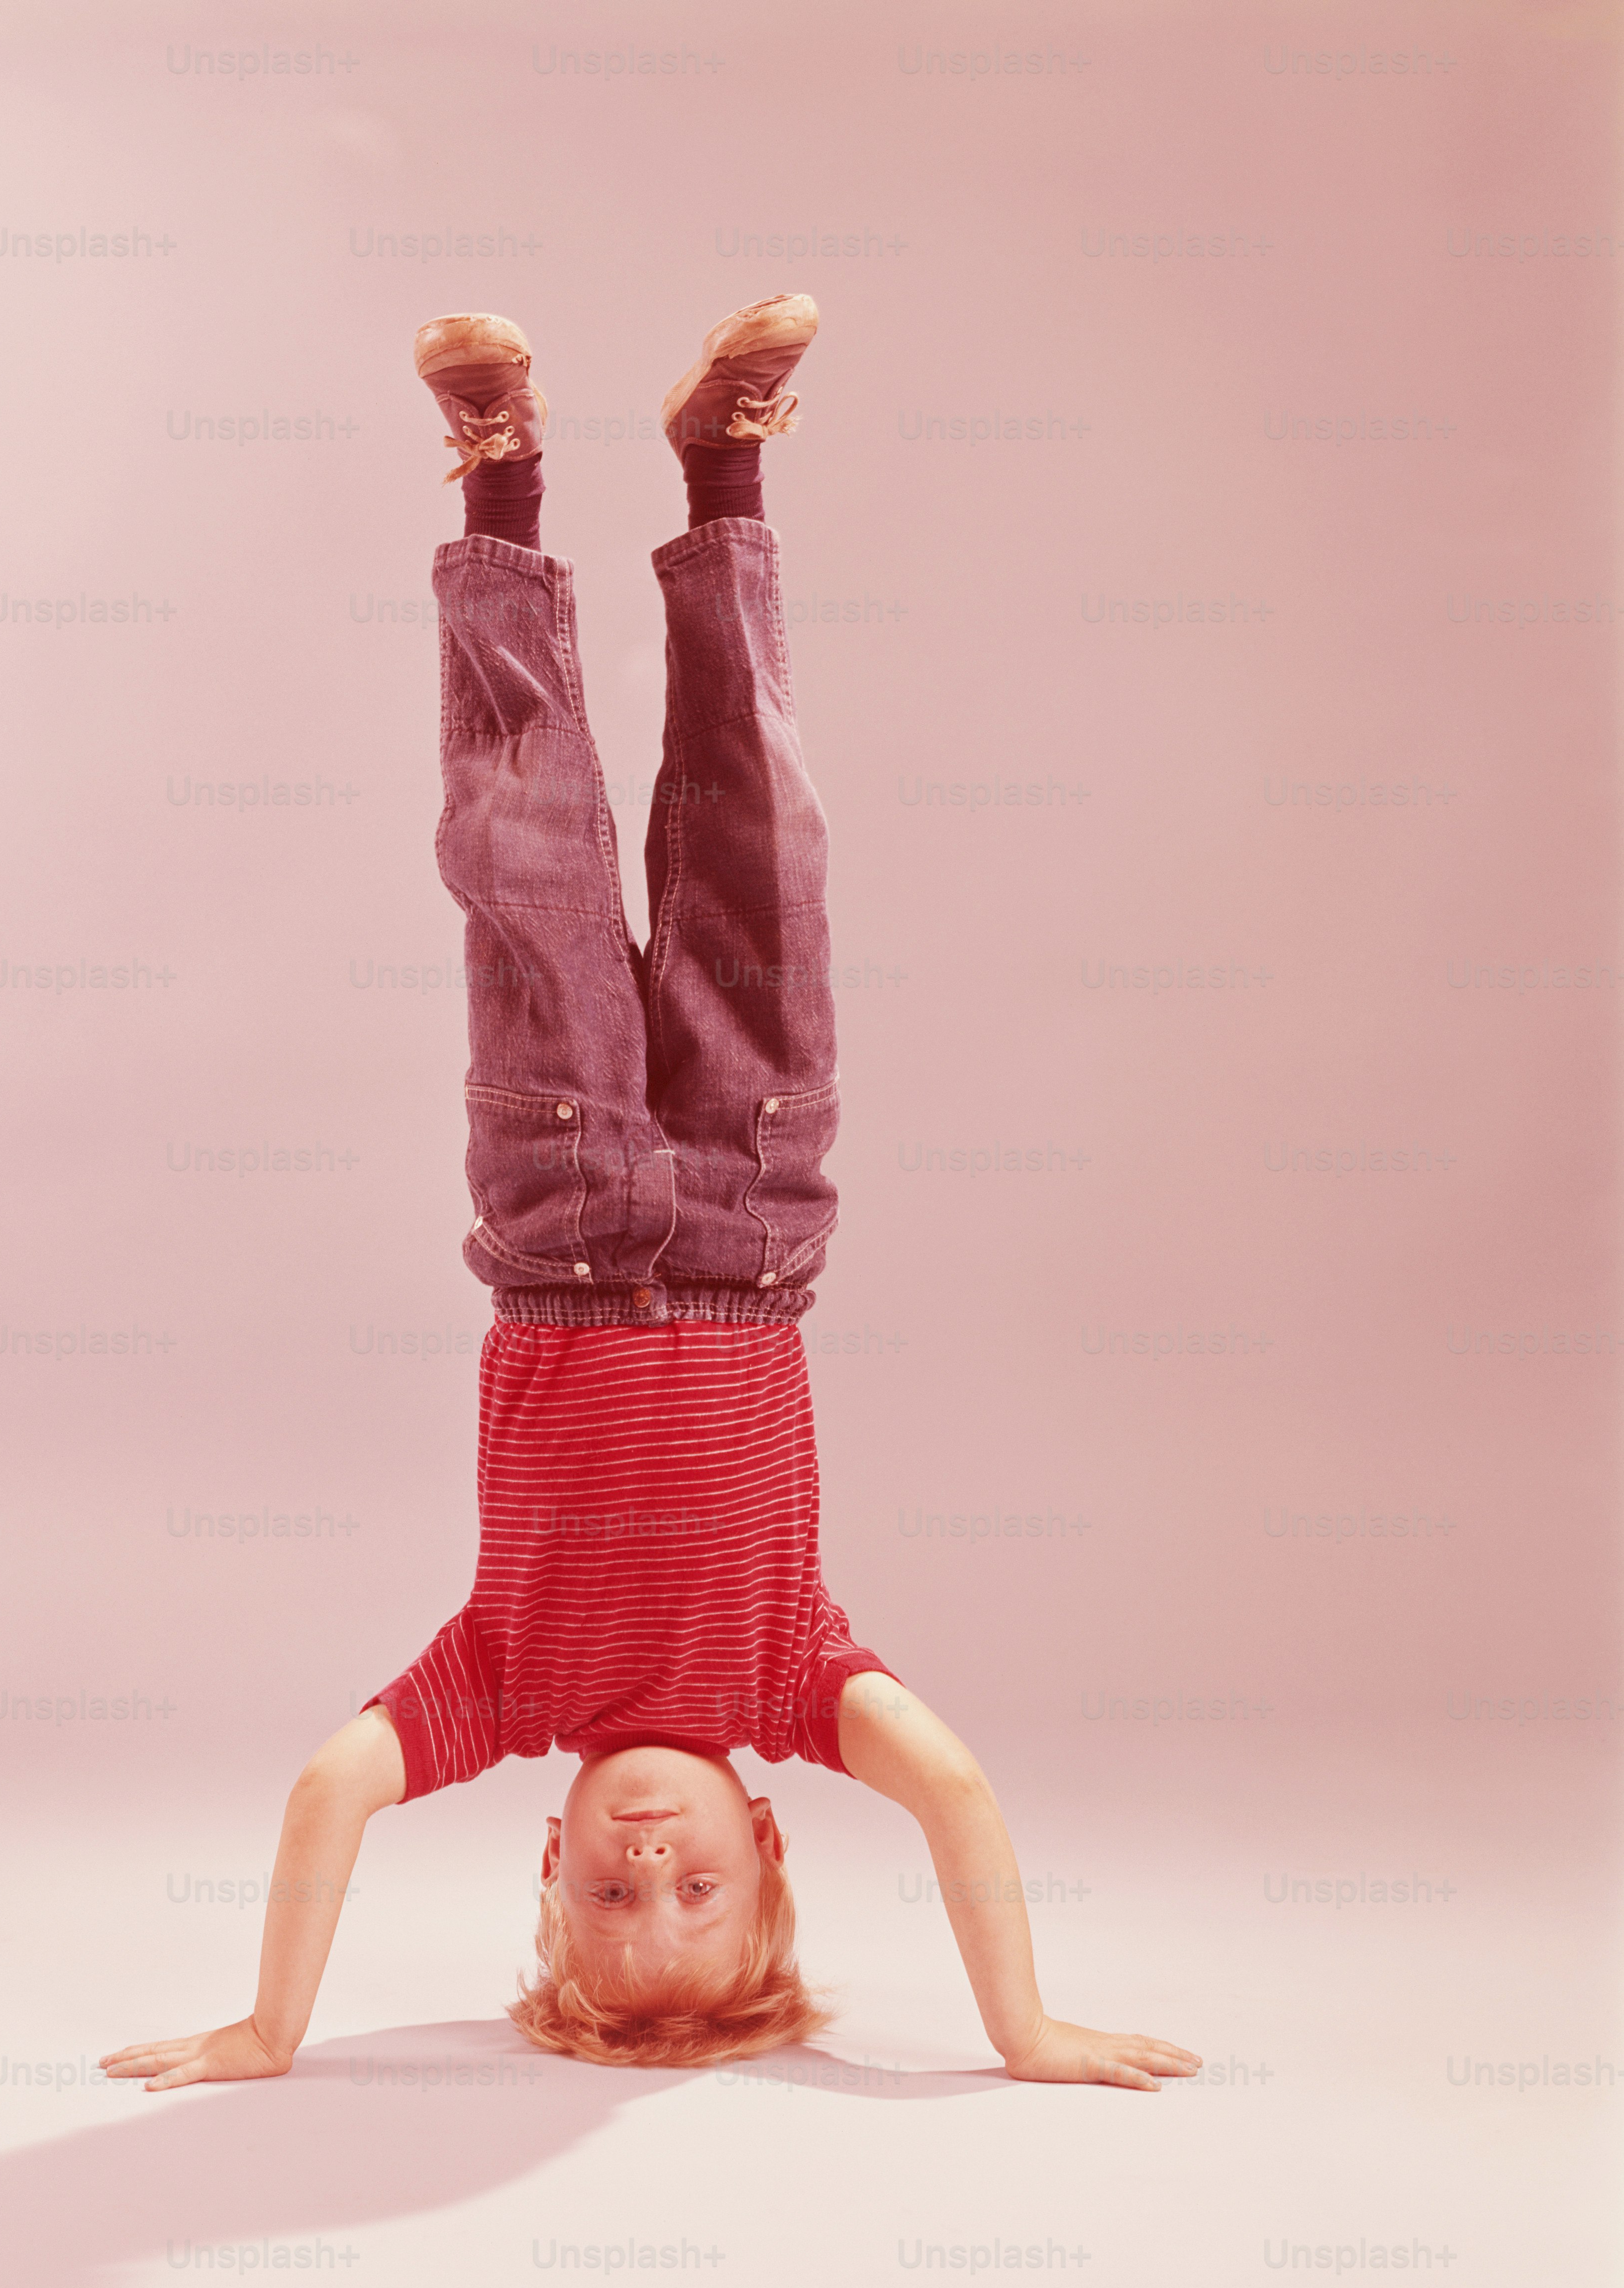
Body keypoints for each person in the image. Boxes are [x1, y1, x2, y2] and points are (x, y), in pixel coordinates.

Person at [102, 296, 1201, 2087]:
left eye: (612, 1912)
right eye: (701, 1896)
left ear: (548, 1866)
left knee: (522, 840)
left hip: (557, 1220)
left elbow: (326, 1794)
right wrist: (1024, 2026)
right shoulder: (799, 1678)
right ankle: (726, 469)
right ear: (772, 1847)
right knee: (760, 822)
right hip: (760, 1221)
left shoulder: (502, 1688)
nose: (650, 1876)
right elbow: (962, 1794)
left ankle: (499, 490)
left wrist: (265, 2028)